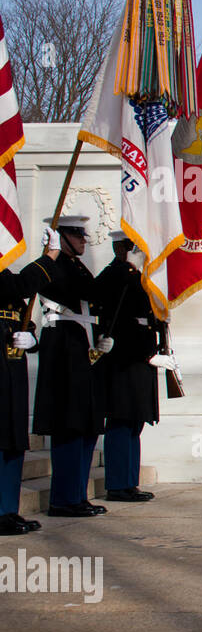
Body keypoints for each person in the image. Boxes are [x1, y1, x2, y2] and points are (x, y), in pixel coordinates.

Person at [30, 215, 113, 518]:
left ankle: (77, 495)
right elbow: (84, 292)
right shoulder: (54, 266)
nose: (83, 241)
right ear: (61, 237)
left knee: (86, 425)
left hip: (81, 345)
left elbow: (94, 299)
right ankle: (63, 499)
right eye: (77, 236)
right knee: (69, 425)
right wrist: (122, 270)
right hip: (64, 348)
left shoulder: (76, 265)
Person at [96, 232, 160, 502]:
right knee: (121, 420)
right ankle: (118, 484)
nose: (140, 251)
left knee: (135, 421)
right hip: (123, 360)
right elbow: (116, 321)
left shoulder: (138, 276)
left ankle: (129, 481)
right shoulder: (114, 275)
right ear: (120, 248)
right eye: (135, 247)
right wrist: (146, 353)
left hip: (140, 358)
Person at [0, 261, 46, 534]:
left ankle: (8, 509)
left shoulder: (6, 275)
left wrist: (30, 337)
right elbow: (21, 285)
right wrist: (48, 259)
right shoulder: (8, 281)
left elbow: (21, 316)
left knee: (14, 441)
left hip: (12, 368)